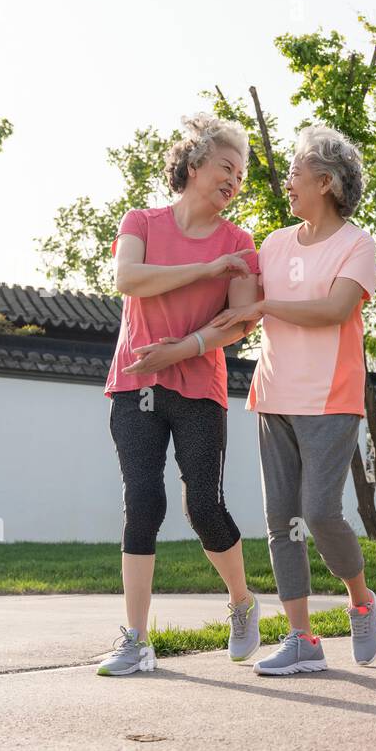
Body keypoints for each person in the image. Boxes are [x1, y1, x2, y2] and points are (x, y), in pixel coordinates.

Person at [204, 125, 376, 675]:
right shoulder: (275, 244)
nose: (287, 181)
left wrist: (266, 308)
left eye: (296, 172)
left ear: (325, 181)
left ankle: (361, 598)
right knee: (282, 520)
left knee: (321, 512)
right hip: (274, 394)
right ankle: (303, 637)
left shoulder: (357, 244)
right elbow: (239, 304)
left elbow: (333, 311)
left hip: (330, 398)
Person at [95, 113, 264, 676]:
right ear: (193, 165)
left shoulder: (240, 242)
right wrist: (206, 268)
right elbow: (128, 279)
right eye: (226, 167)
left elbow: (239, 321)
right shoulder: (140, 221)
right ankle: (136, 639)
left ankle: (242, 602)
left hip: (197, 386)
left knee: (203, 506)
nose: (234, 181)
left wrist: (184, 347)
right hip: (135, 384)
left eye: (240, 174)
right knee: (143, 500)